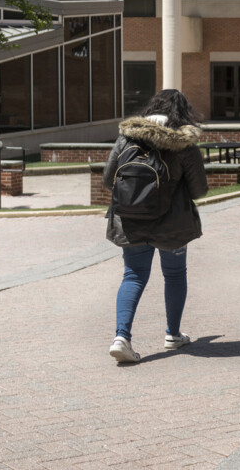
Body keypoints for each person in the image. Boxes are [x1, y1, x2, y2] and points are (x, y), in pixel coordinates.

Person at [102, 89, 208, 363]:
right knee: (174, 275)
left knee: (134, 275)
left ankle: (121, 337)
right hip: (172, 225)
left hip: (130, 221)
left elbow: (107, 179)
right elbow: (199, 190)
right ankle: (173, 334)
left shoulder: (127, 137)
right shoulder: (184, 144)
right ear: (182, 113)